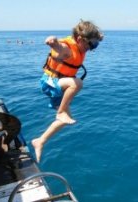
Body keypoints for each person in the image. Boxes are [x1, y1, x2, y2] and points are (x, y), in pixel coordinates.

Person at [32, 20, 103, 163]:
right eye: (91, 45)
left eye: (95, 45)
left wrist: (98, 38)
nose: (92, 49)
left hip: (59, 85)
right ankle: (61, 111)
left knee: (65, 121)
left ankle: (40, 141)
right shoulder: (67, 48)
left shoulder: (81, 46)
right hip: (50, 83)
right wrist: (52, 42)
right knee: (77, 83)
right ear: (79, 39)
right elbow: (58, 47)